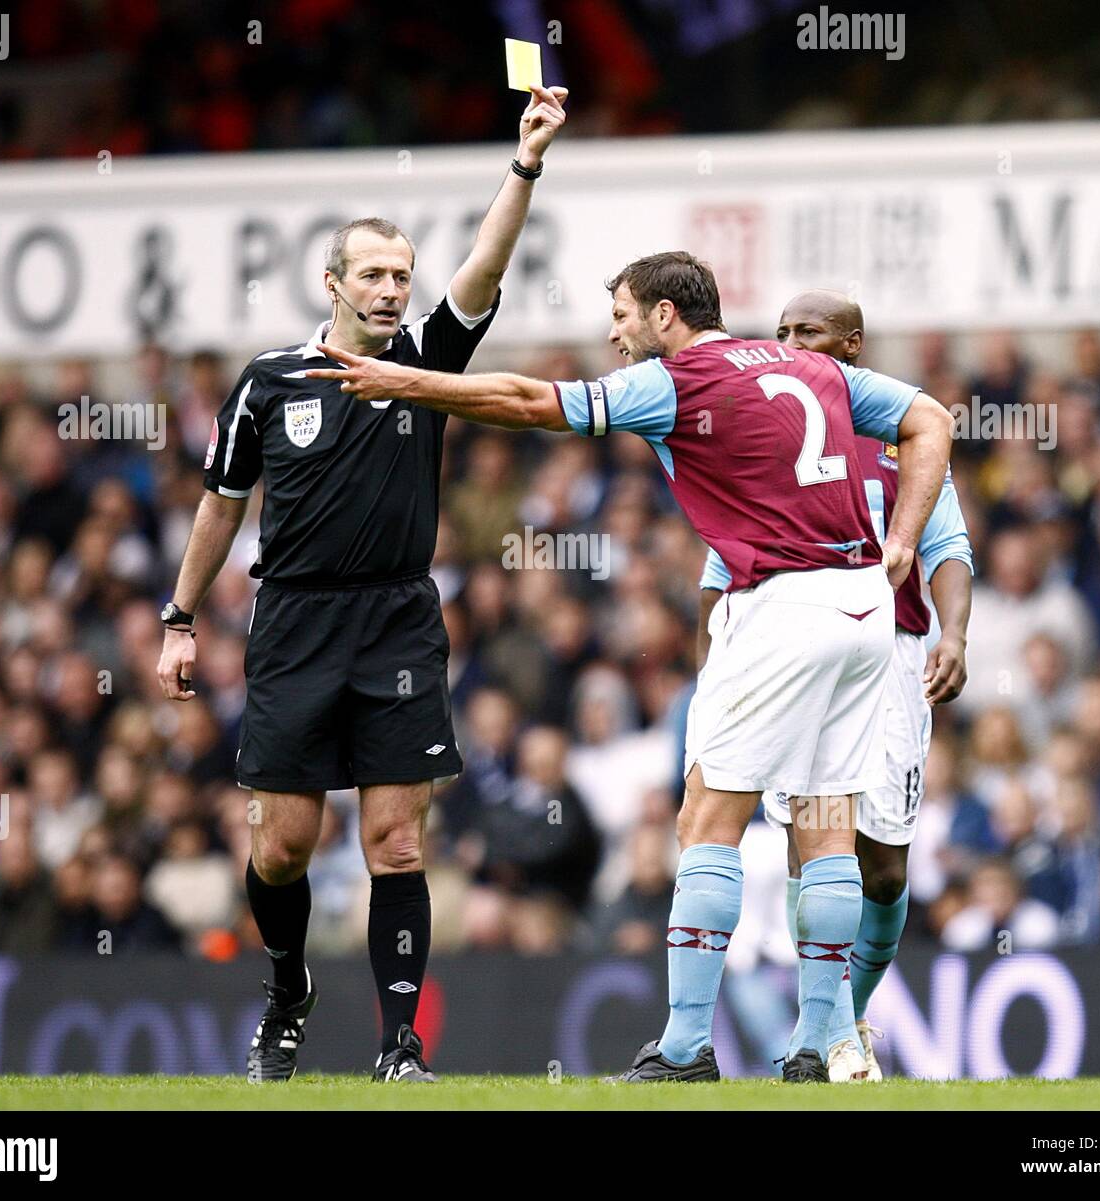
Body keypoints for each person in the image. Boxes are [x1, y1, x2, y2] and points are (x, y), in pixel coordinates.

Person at [305, 250, 954, 1082]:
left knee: (705, 822)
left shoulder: (679, 378)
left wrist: (410, 383)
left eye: (620, 316)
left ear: (664, 317)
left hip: (781, 604)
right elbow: (930, 417)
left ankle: (684, 1047)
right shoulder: (802, 362)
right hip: (866, 607)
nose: (611, 334)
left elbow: (528, 400)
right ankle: (814, 1046)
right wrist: (900, 539)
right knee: (826, 825)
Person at [156, 85, 569, 1083]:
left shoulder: (426, 363)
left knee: (394, 838)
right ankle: (287, 989)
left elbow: (484, 267)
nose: (391, 289)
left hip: (395, 619)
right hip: (292, 620)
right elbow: (220, 504)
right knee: (284, 846)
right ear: (332, 281)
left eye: (401, 275)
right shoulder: (269, 382)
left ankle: (399, 1046)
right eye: (374, 274)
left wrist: (525, 164)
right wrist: (177, 616)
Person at [696, 290, 973, 1081]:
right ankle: (819, 1036)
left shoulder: (904, 437)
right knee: (815, 842)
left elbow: (949, 546)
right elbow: (723, 563)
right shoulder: (769, 432)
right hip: (800, 648)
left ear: (852, 345)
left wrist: (953, 634)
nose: (789, 342)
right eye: (781, 331)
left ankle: (846, 1015)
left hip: (893, 654)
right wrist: (722, 646)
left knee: (883, 863)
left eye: (806, 331)